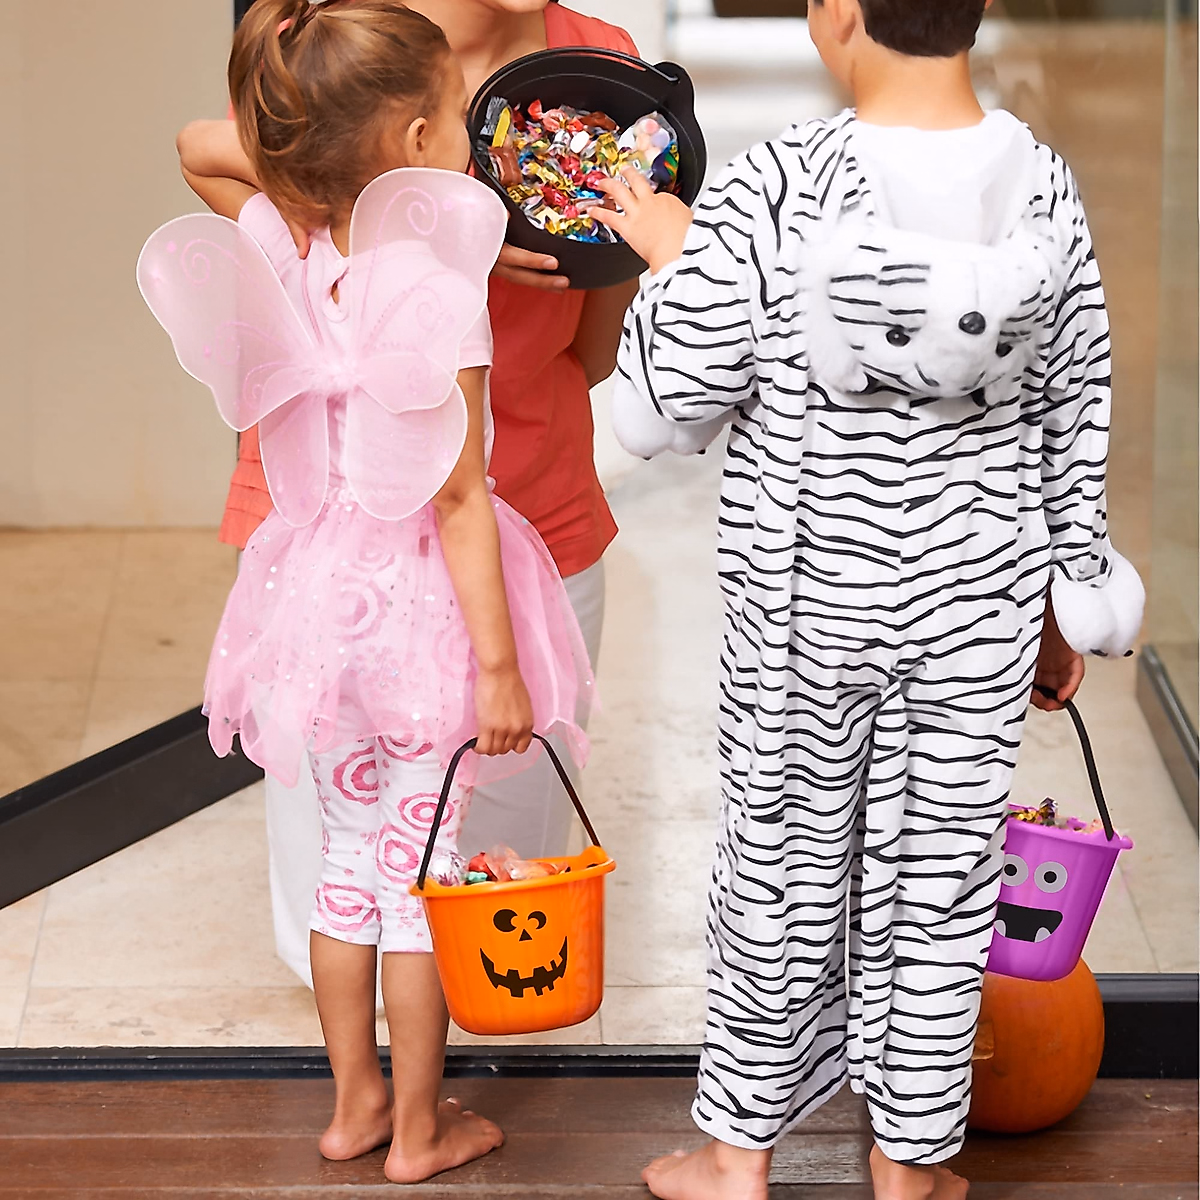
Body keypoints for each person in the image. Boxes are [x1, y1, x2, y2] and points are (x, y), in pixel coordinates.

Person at [596, 0, 1145, 1197]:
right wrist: (1068, 600)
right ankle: (910, 1170)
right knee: (943, 880)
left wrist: (673, 255)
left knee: (779, 861)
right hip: (977, 601)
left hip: (804, 600)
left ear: (837, 11)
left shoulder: (776, 185)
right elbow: (1075, 409)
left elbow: (668, 401)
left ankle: (738, 1157)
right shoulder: (1043, 188)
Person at [146, 0, 591, 1181]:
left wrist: (311, 178)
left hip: (312, 612)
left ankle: (354, 1107)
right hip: (421, 627)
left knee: (346, 870)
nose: (468, 143)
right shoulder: (440, 290)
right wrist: (500, 668)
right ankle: (423, 1128)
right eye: (454, 120)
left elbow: (199, 149)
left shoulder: (287, 247)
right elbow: (459, 499)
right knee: (418, 880)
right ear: (416, 141)